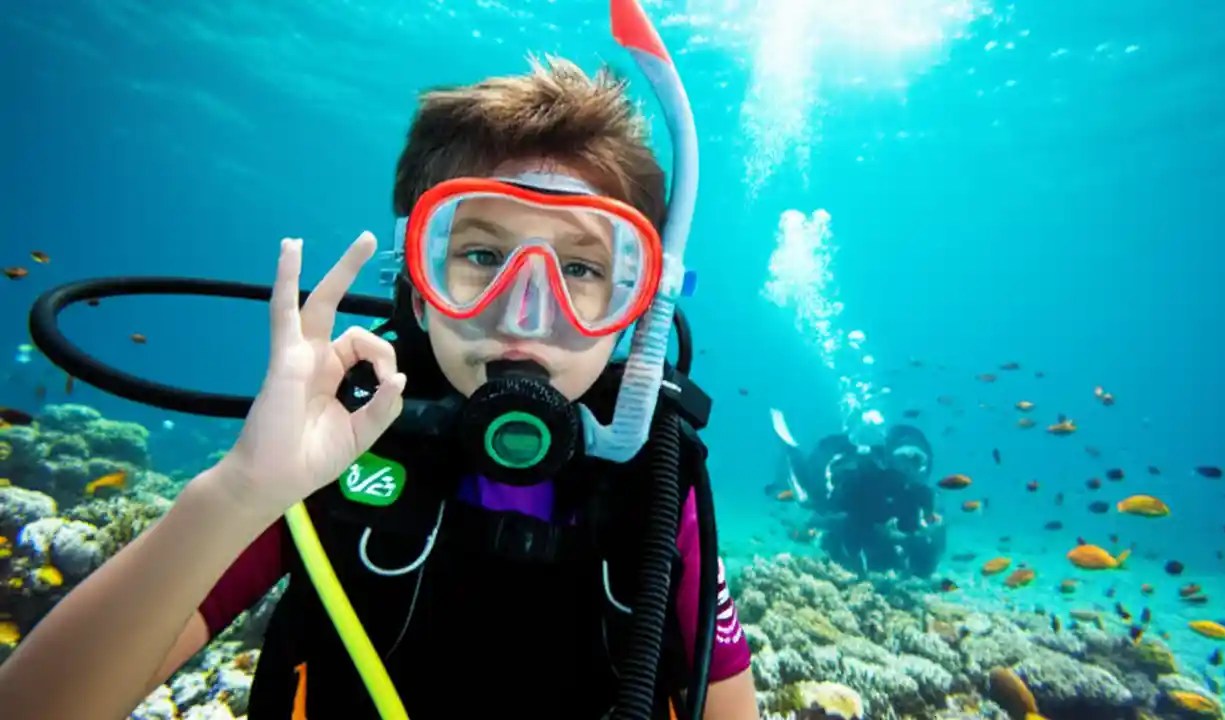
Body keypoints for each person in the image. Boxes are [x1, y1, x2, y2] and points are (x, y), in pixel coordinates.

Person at [0, 4, 758, 719]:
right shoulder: (335, 441)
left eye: (582, 269)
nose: (525, 313)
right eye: (481, 255)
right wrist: (239, 492)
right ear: (417, 288)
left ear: (640, 304)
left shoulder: (657, 483)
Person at [768, 408, 945, 578]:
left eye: (916, 461)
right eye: (903, 458)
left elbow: (925, 557)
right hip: (846, 512)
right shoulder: (868, 472)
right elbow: (841, 513)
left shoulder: (923, 496)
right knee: (808, 499)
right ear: (890, 458)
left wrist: (928, 535)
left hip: (873, 536)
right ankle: (790, 449)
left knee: (913, 559)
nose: (908, 468)